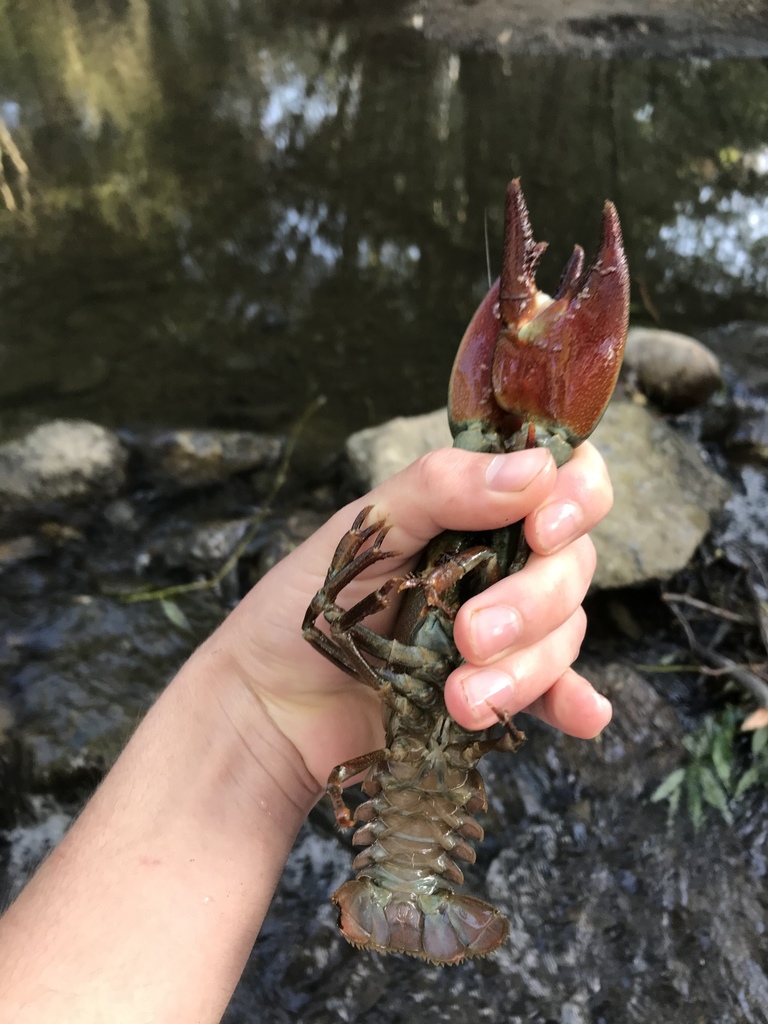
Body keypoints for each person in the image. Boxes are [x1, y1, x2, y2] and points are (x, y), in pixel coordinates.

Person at [0, 442, 613, 1023]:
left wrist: (262, 704)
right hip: (434, 781)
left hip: (406, 789)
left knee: (332, 621)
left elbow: (328, 621)